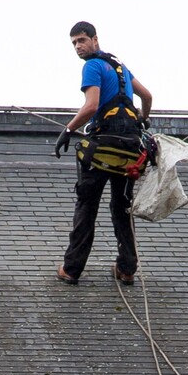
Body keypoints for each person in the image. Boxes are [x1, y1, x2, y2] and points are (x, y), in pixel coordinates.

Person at [53, 21, 152, 285]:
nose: (78, 46)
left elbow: (91, 105)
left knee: (87, 205)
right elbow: (147, 96)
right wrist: (143, 120)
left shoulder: (93, 66)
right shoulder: (120, 67)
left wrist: (68, 130)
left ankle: (71, 269)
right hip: (129, 149)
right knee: (122, 207)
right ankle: (127, 269)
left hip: (102, 148)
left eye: (82, 40)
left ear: (95, 39)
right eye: (74, 43)